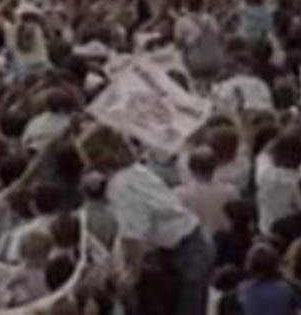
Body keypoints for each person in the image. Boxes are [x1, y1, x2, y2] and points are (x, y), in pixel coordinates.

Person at [83, 126, 213, 315]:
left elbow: (134, 233)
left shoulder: (121, 185)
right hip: (187, 243)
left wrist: (131, 272)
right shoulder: (135, 170)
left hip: (183, 252)